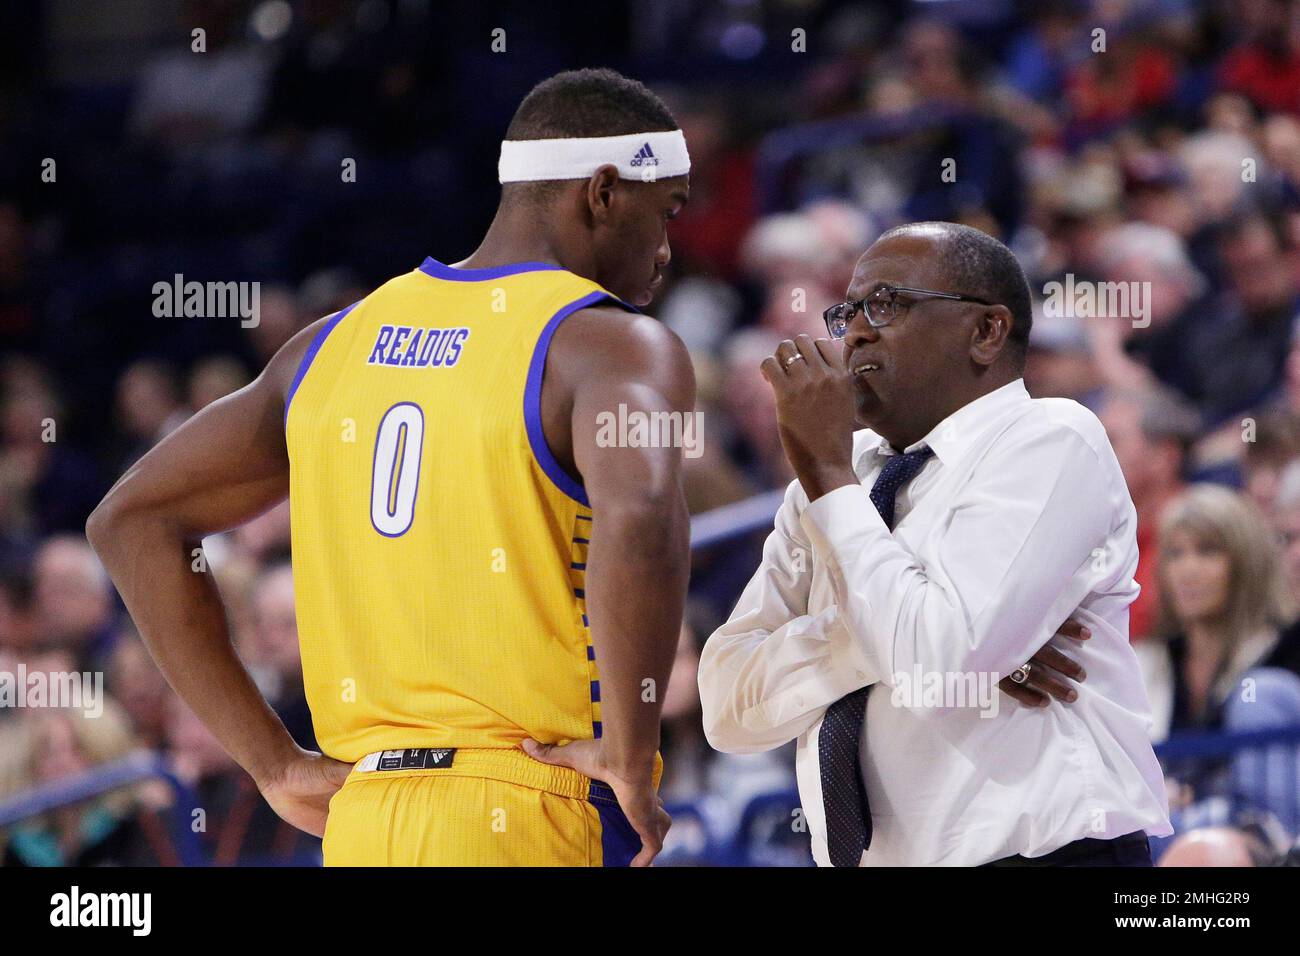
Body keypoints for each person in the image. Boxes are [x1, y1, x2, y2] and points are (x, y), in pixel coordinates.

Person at [86, 68, 695, 867]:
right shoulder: (612, 344)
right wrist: (629, 743)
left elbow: (129, 520)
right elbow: (642, 517)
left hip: (367, 818)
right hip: (533, 804)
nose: (667, 248)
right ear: (604, 192)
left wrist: (272, 764)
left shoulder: (330, 345)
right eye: (667, 210)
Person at [698, 221, 1172, 866]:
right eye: (850, 311)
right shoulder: (837, 478)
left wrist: (831, 481)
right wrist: (893, 643)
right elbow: (728, 709)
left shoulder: (1051, 437)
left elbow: (938, 665)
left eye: (888, 304)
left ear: (986, 331)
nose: (858, 330)